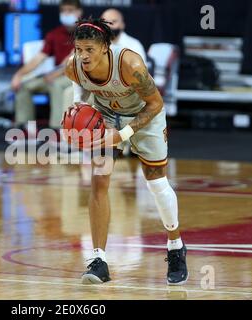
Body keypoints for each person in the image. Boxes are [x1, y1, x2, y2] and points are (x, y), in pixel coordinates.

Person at [63, 18, 188, 285]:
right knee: (98, 181)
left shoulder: (130, 65)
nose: (83, 56)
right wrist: (77, 106)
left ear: (106, 47)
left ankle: (175, 246)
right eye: (79, 49)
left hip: (144, 115)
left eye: (89, 50)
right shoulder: (73, 65)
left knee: (156, 182)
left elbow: (155, 103)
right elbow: (78, 84)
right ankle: (98, 260)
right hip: (106, 114)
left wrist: (122, 135)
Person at [11, 0, 83, 133]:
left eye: (70, 10)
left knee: (56, 84)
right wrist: (19, 75)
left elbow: (76, 63)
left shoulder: (87, 33)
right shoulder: (54, 34)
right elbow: (38, 59)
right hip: (53, 76)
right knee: (23, 85)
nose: (66, 14)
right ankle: (26, 129)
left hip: (75, 77)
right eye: (64, 11)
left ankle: (57, 129)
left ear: (79, 12)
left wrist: (56, 74)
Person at [62, 8, 147, 116]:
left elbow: (141, 74)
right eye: (106, 22)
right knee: (70, 94)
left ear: (122, 24)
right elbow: (77, 70)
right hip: (96, 88)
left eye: (114, 22)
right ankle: (69, 129)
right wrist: (79, 99)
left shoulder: (134, 45)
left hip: (125, 90)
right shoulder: (90, 42)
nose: (110, 25)